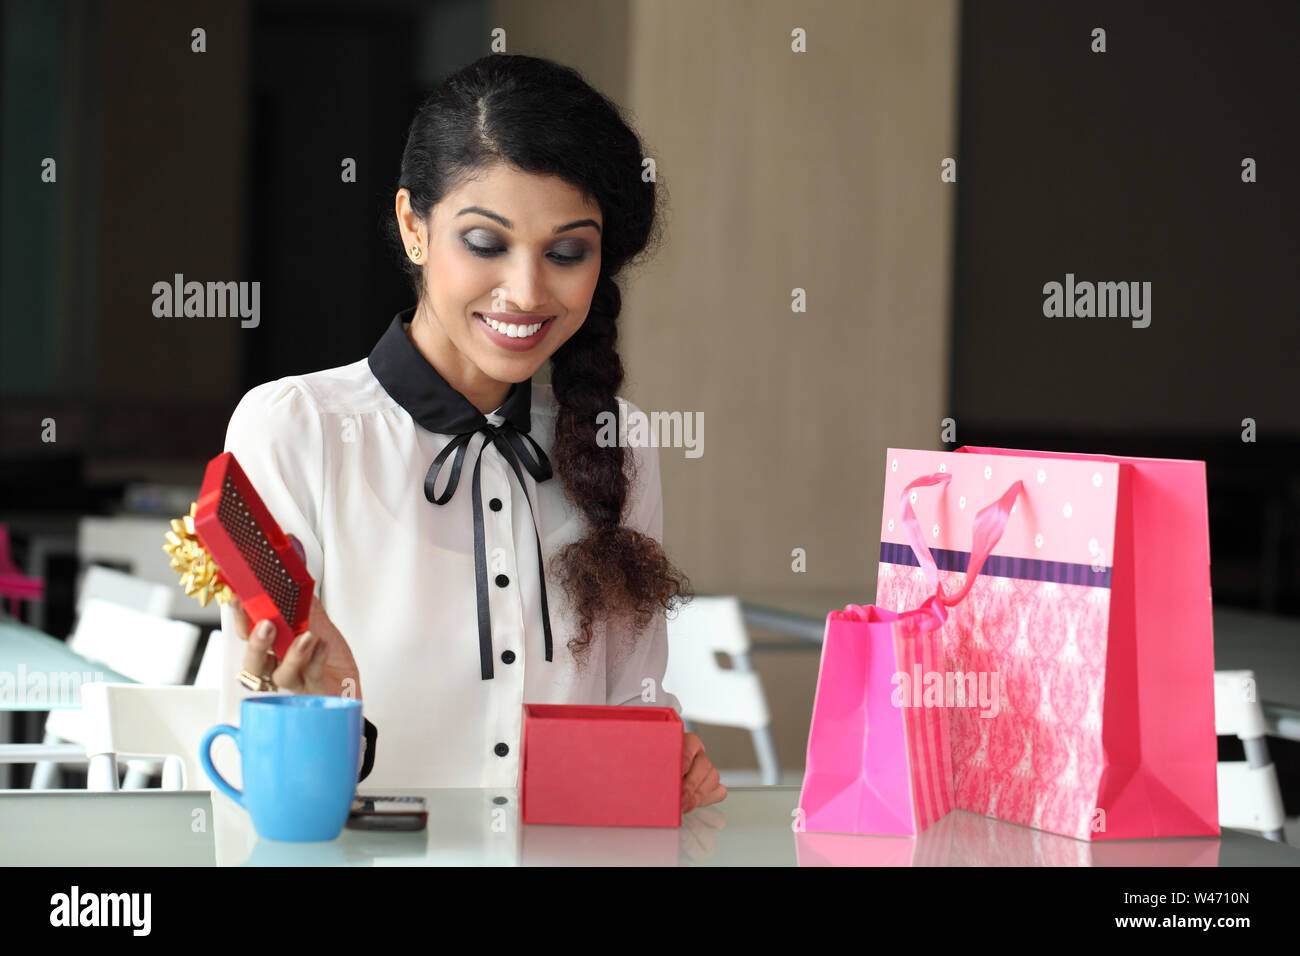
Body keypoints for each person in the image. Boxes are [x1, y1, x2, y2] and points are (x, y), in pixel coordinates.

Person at [214, 53, 726, 813]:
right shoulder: (293, 430)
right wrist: (304, 714)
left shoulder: (622, 443)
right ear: (412, 227)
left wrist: (663, 763)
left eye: (566, 252)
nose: (525, 290)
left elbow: (632, 702)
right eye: (486, 243)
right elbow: (256, 735)